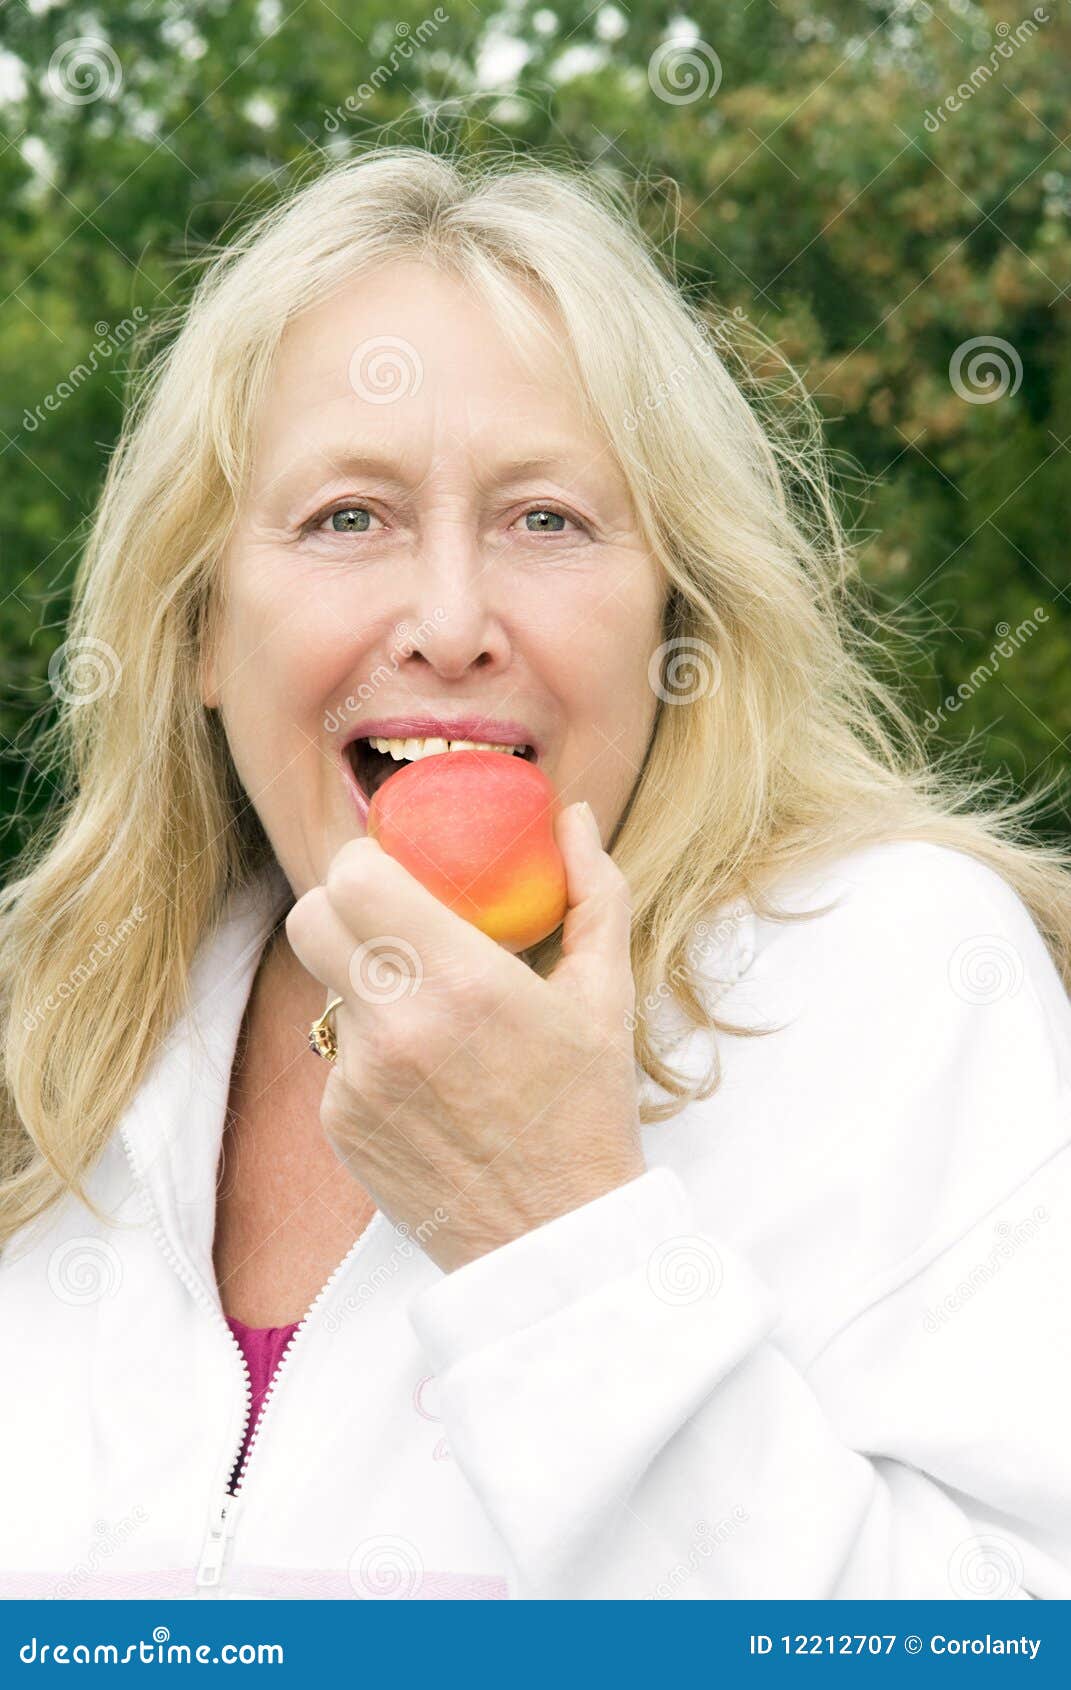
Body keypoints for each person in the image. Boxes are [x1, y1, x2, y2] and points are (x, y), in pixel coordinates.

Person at [1, 146, 1069, 1602]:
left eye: (546, 520)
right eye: (347, 518)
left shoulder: (892, 972)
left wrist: (554, 1227)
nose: (450, 622)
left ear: (673, 615)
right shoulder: (51, 1044)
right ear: (198, 629)